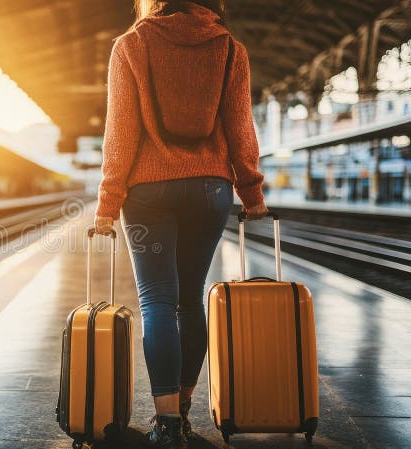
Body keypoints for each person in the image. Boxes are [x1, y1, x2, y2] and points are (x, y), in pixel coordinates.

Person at [93, 1, 268, 447]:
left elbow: (121, 133)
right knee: (190, 300)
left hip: (148, 191)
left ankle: (167, 423)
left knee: (157, 300)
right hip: (210, 189)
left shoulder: (130, 45)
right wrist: (252, 194)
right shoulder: (230, 50)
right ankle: (185, 408)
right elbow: (240, 129)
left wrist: (107, 205)